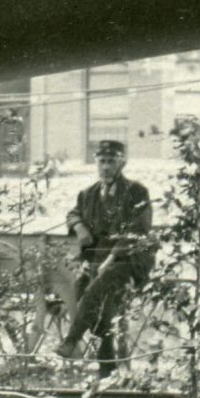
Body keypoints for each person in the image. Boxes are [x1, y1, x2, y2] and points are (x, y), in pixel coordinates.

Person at [59, 137, 156, 374]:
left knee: (100, 286)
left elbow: (138, 230)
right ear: (96, 163)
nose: (105, 167)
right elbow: (72, 213)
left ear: (122, 163)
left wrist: (111, 259)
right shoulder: (88, 194)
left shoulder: (136, 192)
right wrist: (79, 226)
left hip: (129, 260)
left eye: (111, 161)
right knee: (86, 292)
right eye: (101, 161)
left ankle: (71, 339)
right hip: (98, 261)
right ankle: (107, 367)